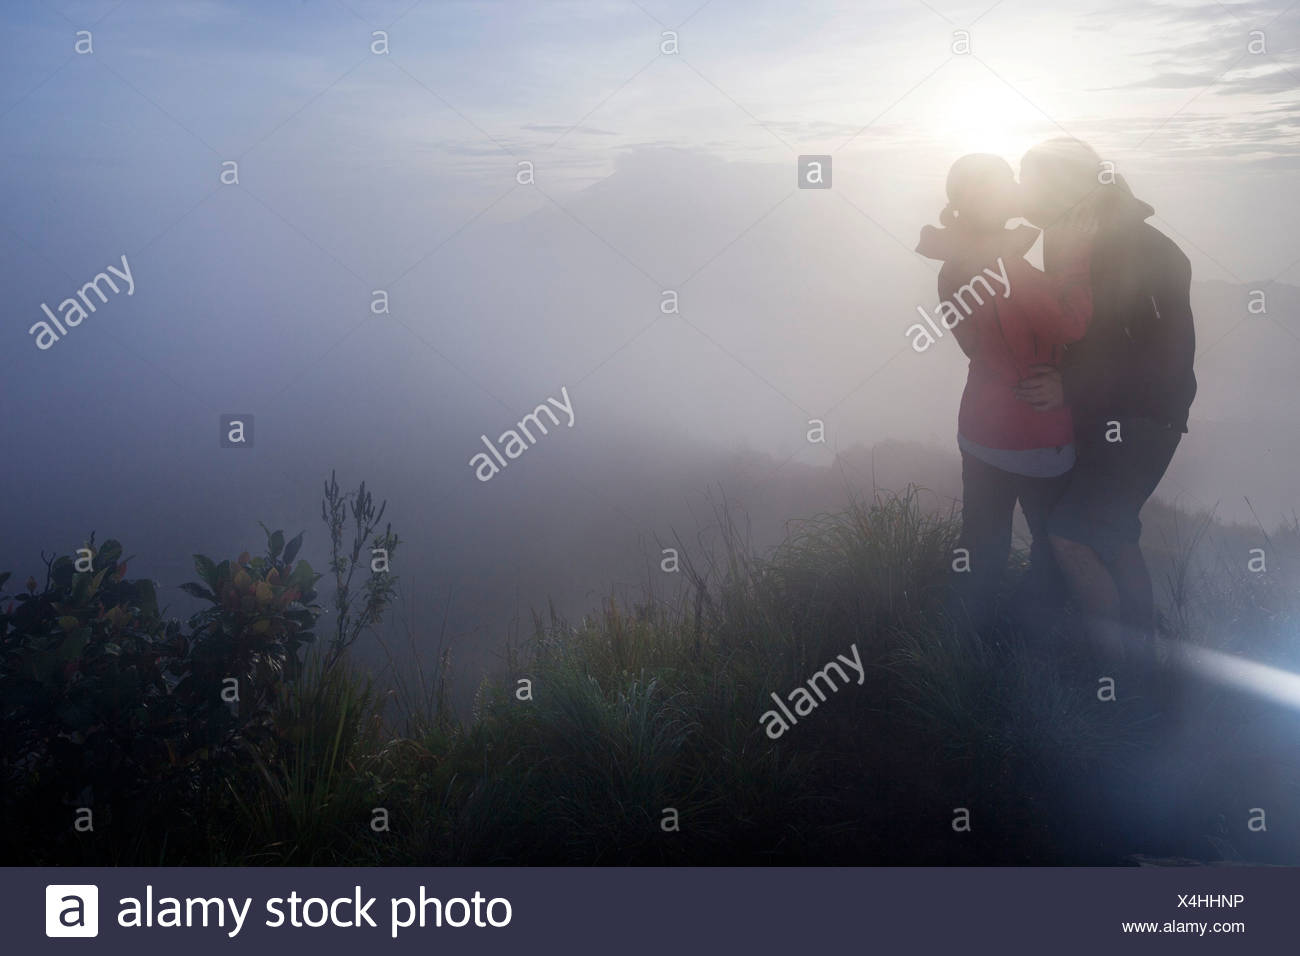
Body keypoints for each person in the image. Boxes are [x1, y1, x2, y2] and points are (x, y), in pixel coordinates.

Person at [1013, 138, 1196, 680]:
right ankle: (1147, 664)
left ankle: (1115, 677)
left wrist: (1068, 386)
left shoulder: (1124, 248)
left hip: (1141, 420)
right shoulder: (1079, 236)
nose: (1024, 191)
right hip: (1133, 416)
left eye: (1032, 180)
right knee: (1113, 533)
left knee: (1072, 535)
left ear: (1067, 187)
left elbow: (1150, 353)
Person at [915, 154, 1094, 634]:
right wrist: (1075, 257)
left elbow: (974, 343)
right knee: (1052, 541)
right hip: (1036, 433)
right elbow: (1071, 322)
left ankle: (960, 646)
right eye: (1007, 181)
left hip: (980, 427)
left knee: (981, 544)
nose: (1017, 186)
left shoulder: (950, 266)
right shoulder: (1009, 268)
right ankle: (1027, 644)